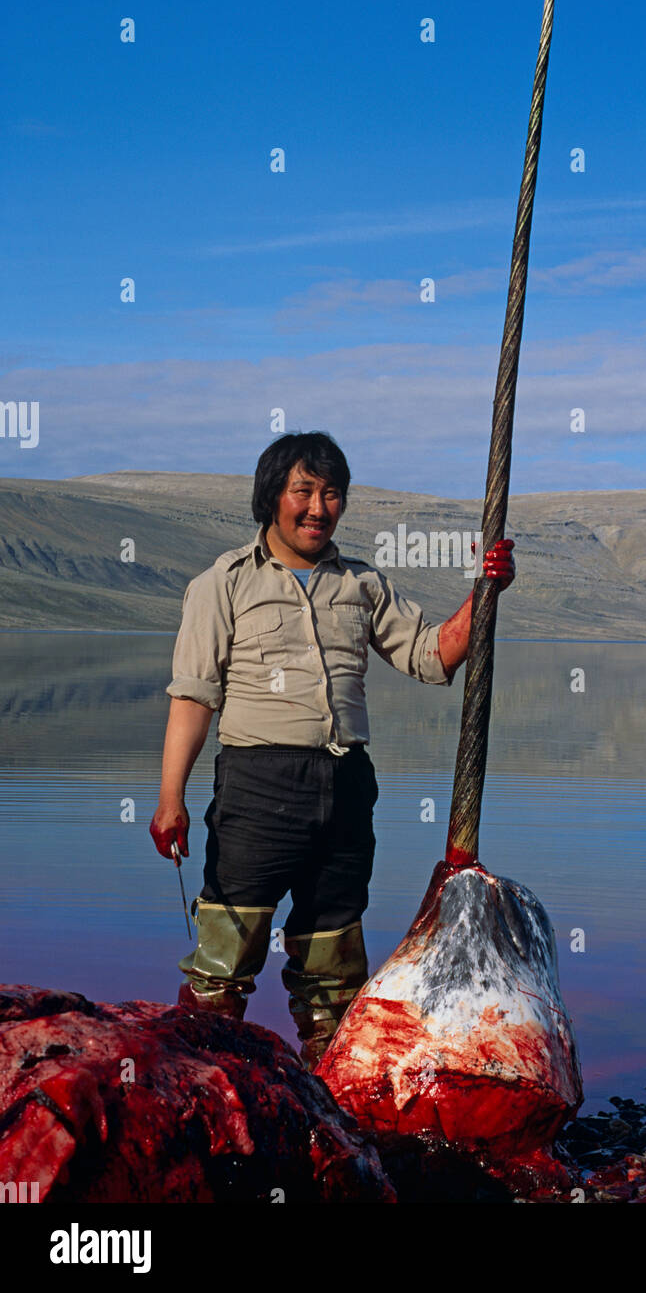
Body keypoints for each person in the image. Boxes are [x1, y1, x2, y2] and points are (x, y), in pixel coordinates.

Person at [148, 431, 515, 1068]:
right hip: (257, 789)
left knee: (334, 969)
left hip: (346, 790)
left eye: (332, 493)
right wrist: (169, 799)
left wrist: (485, 591)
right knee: (223, 967)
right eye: (304, 491)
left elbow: (431, 656)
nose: (319, 507)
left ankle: (327, 1096)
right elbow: (193, 698)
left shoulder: (361, 584)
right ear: (272, 498)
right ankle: (205, 1088)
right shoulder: (222, 584)